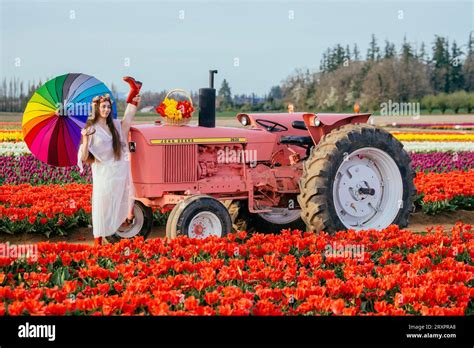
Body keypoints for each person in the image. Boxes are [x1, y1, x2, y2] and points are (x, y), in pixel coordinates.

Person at [77, 76, 142, 246]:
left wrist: (134, 101)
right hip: (103, 172)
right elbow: (84, 157)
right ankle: (97, 240)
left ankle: (134, 92)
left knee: (122, 198)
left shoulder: (114, 125)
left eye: (108, 107)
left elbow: (127, 120)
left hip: (119, 168)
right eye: (103, 107)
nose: (106, 109)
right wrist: (84, 140)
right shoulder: (90, 129)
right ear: (96, 109)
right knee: (101, 203)